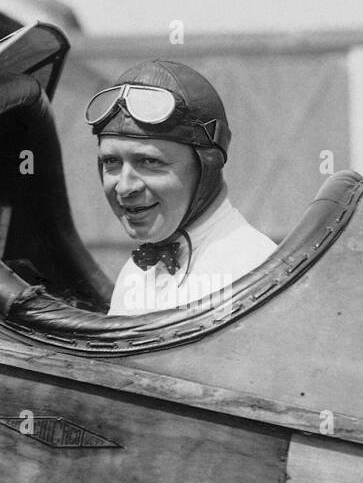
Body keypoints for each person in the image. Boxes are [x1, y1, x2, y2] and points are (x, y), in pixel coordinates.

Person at [85, 59, 277, 316]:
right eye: (111, 162)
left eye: (149, 161)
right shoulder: (136, 271)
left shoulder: (252, 270)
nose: (124, 187)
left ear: (206, 165)